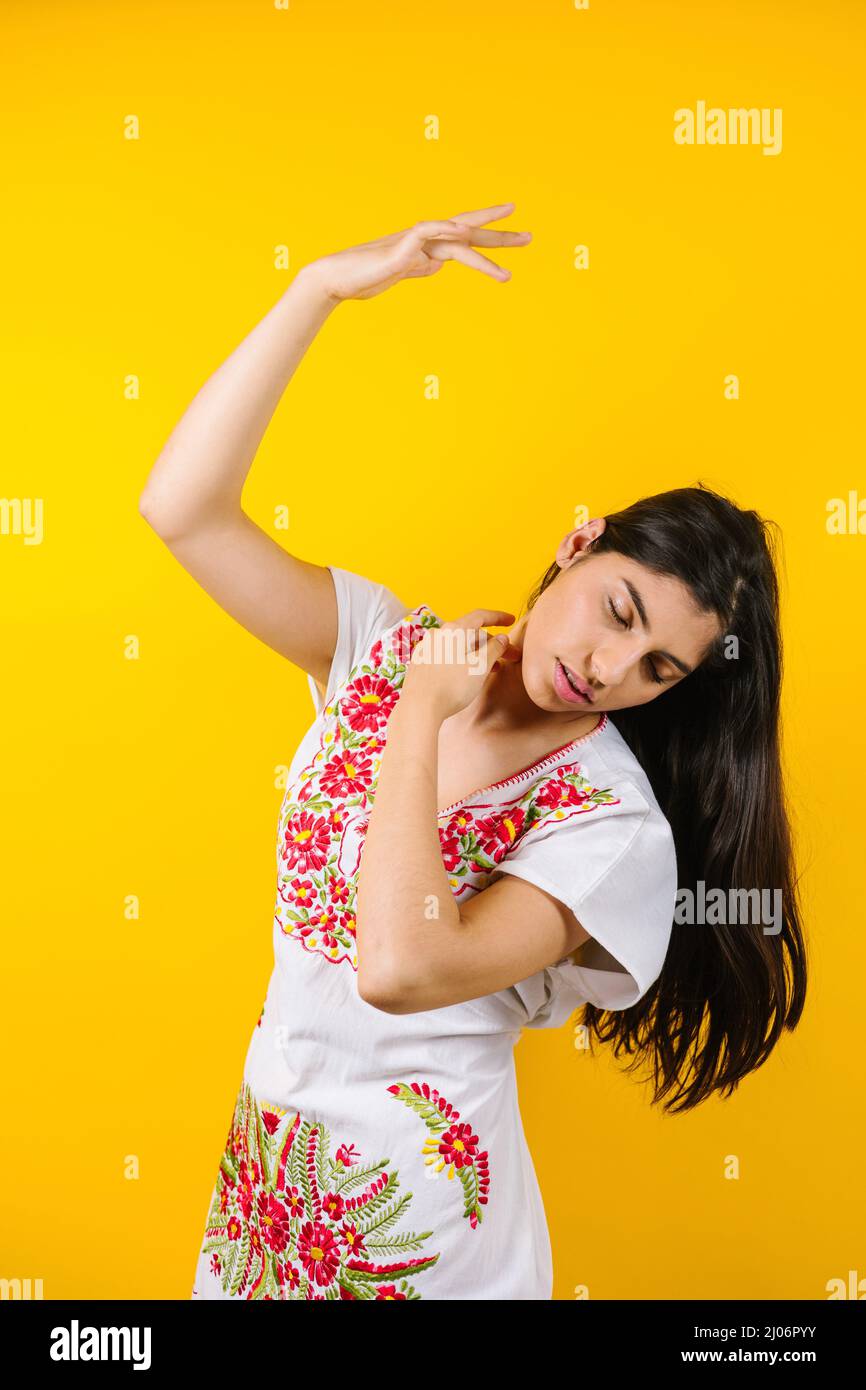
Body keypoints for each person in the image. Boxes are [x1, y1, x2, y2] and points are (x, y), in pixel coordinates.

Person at [139, 204, 807, 1301]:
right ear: (576, 543)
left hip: (426, 1231)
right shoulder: (378, 639)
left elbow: (400, 969)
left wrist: (416, 711)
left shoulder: (608, 827)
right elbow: (183, 510)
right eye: (616, 608)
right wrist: (315, 289)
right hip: (268, 1189)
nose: (606, 665)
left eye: (655, 668)